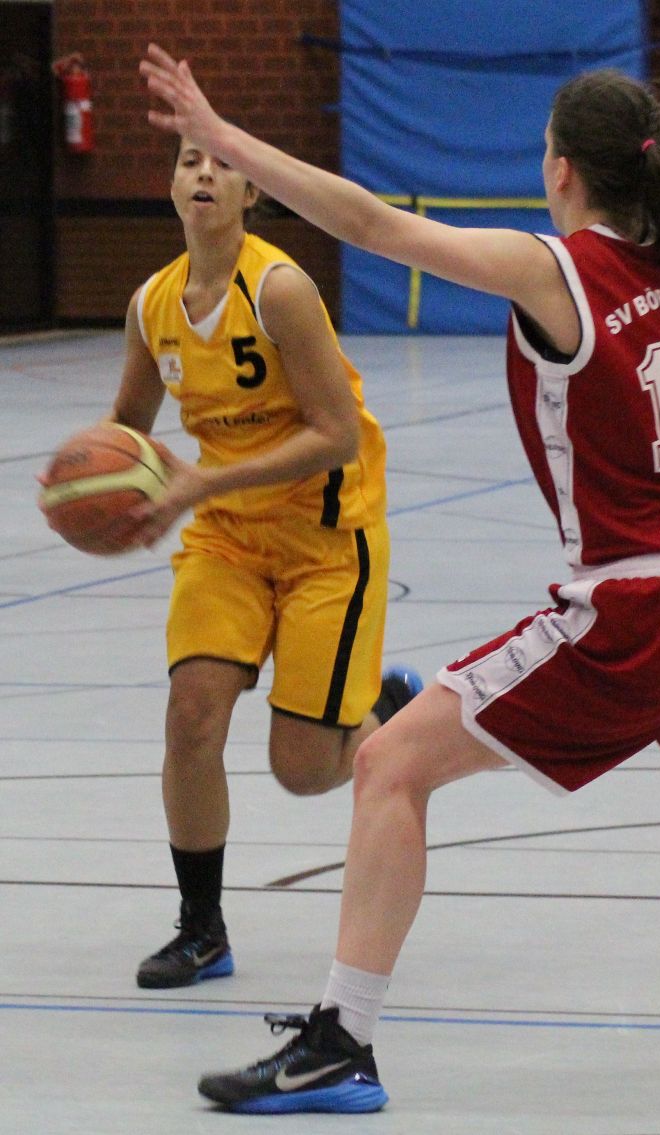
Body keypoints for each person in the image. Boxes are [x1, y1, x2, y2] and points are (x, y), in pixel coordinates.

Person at [141, 45, 660, 1115]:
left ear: (560, 172)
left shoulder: (561, 271)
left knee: (389, 764)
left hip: (640, 609)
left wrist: (223, 136)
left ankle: (341, 1038)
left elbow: (370, 224)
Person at [101, 127, 421, 990]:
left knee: (302, 768)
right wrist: (92, 483)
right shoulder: (152, 304)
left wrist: (199, 481)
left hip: (327, 538)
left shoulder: (279, 289)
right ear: (172, 188)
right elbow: (128, 426)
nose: (203, 173)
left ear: (252, 196)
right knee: (191, 716)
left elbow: (335, 435)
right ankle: (201, 928)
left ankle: (384, 714)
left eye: (223, 164)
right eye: (187, 161)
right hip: (227, 540)